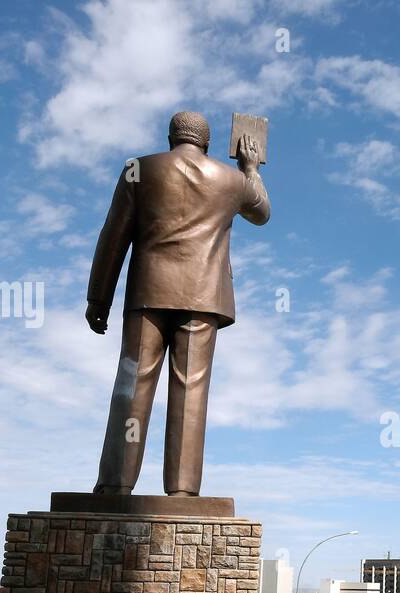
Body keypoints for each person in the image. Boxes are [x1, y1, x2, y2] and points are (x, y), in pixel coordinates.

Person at [86, 111, 271, 496]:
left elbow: (113, 236)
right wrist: (250, 167)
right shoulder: (232, 180)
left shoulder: (138, 169)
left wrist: (98, 296)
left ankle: (114, 485)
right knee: (191, 390)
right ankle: (184, 492)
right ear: (205, 142)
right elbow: (262, 212)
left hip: (148, 294)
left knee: (132, 384)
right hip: (204, 298)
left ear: (171, 137)